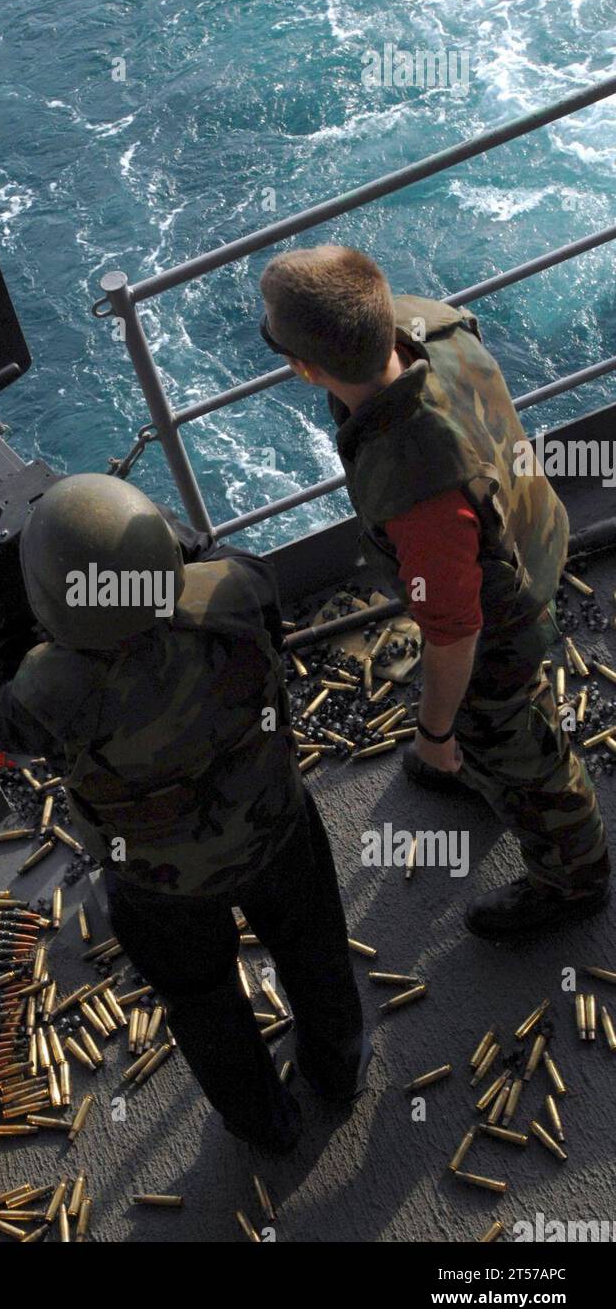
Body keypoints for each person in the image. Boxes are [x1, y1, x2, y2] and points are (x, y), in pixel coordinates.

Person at [0, 472, 368, 1154]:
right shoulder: (238, 589)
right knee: (313, 947)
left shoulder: (47, 690)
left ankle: (263, 1124)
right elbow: (214, 568)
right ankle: (337, 1069)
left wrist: (9, 598)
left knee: (203, 1000)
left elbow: (1, 724)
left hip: (159, 880)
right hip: (274, 822)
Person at [258, 244, 610, 938]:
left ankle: (575, 879)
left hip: (502, 611)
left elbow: (455, 633)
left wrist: (435, 730)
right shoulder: (430, 324)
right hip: (531, 525)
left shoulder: (416, 486)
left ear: (304, 369)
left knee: (513, 740)